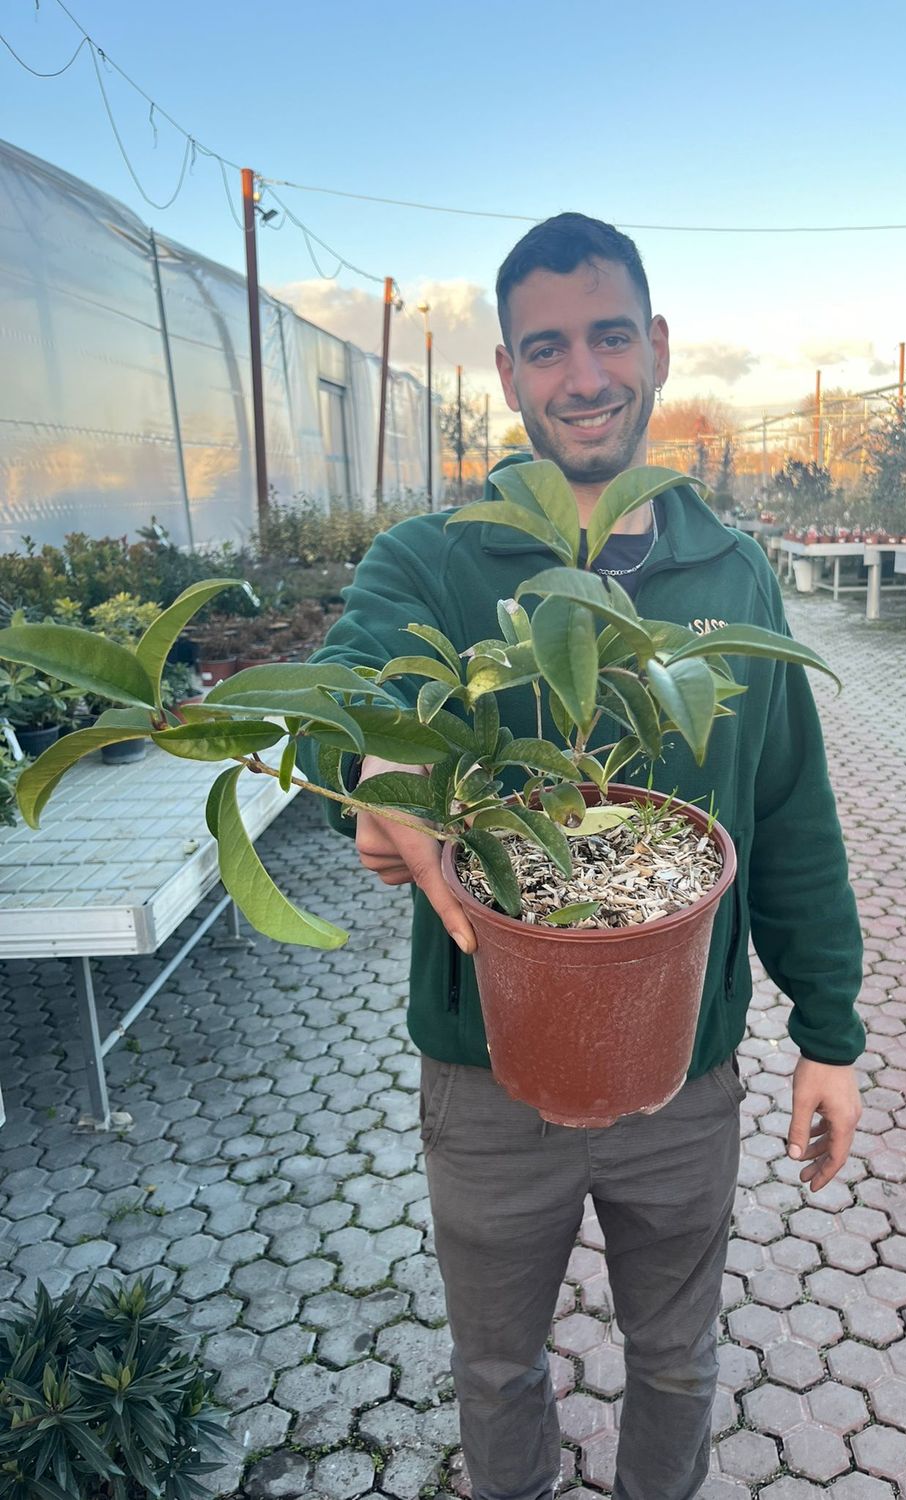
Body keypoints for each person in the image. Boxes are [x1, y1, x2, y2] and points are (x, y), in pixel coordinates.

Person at [306, 213, 865, 1500]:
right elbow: (356, 669)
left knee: (677, 1357)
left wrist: (829, 1034)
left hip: (685, 1075)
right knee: (496, 1367)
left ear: (658, 348)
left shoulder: (732, 572)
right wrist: (382, 764)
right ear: (508, 374)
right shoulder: (438, 564)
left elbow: (789, 817)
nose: (585, 375)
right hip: (489, 1078)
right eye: (546, 348)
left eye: (610, 336)